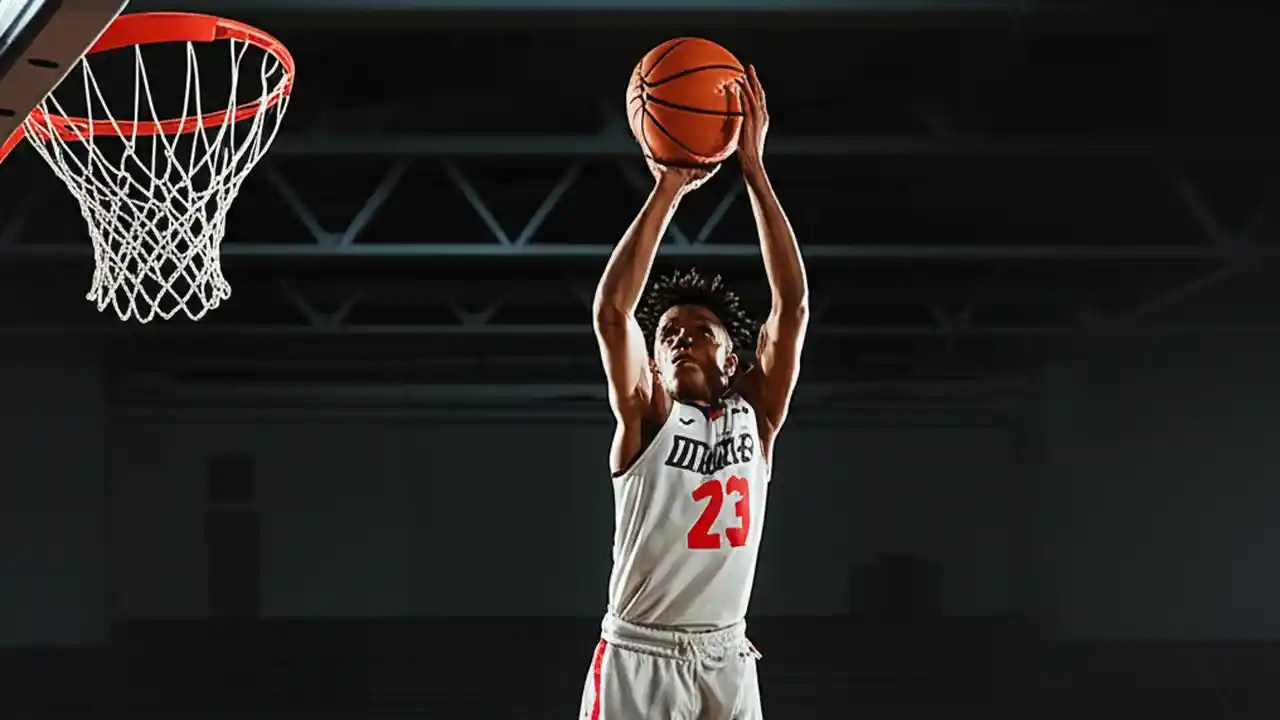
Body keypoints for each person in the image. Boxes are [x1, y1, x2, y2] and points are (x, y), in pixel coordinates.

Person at [580, 66, 809, 719]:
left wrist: (755, 172)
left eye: (698, 332)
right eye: (668, 335)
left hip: (726, 655)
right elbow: (611, 314)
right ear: (651, 365)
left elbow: (791, 306)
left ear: (732, 355)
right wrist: (668, 190)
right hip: (640, 655)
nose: (680, 340)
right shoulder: (647, 417)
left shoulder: (755, 414)